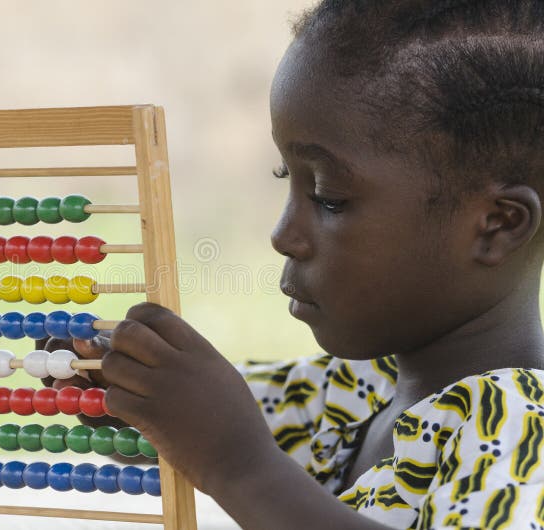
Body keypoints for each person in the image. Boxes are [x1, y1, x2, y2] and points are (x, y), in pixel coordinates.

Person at [42, 1, 544, 528]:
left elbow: (235, 452)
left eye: (329, 197)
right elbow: (199, 427)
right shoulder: (348, 394)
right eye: (289, 180)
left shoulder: (521, 432)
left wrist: (240, 467)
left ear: (497, 225)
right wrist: (120, 389)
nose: (283, 236)